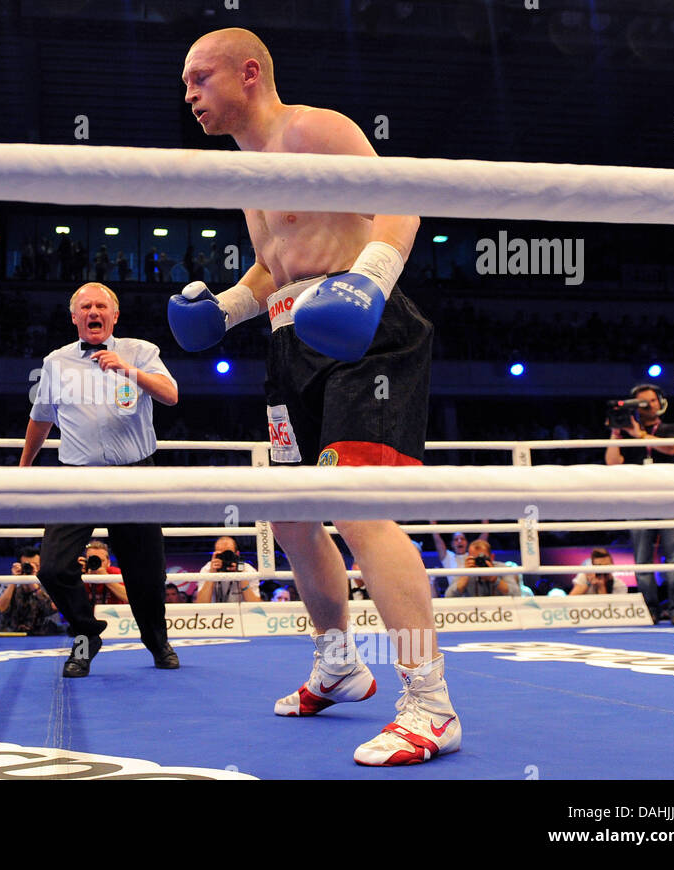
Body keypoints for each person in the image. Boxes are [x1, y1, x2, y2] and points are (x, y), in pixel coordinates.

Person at [169, 28, 456, 766]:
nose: (190, 96)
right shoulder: (247, 173)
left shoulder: (314, 129)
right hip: (289, 344)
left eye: (201, 79)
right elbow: (272, 265)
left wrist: (369, 278)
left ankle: (430, 701)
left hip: (366, 331)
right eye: (186, 85)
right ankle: (339, 664)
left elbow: (402, 202)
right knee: (292, 515)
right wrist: (226, 309)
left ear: (249, 72)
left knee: (360, 510)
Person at [20, 282, 180, 677]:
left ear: (114, 315)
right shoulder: (56, 363)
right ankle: (86, 633)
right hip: (77, 477)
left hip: (135, 474)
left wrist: (129, 370)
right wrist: (23, 470)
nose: (94, 311)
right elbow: (41, 417)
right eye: (86, 306)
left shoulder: (142, 351)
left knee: (145, 572)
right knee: (53, 567)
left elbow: (171, 394)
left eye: (101, 306)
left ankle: (156, 640)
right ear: (75, 317)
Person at [605, 383, 674, 624]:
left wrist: (638, 435)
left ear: (660, 403)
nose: (648, 406)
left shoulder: (670, 428)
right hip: (638, 501)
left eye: (651, 401)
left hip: (670, 499)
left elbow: (672, 448)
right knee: (642, 558)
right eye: (642, 402)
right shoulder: (626, 433)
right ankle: (649, 609)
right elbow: (612, 463)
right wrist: (616, 431)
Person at [0, 548, 63, 635]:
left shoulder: (48, 583)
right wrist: (14, 580)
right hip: (11, 635)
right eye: (27, 565)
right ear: (20, 565)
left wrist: (33, 583)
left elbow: (52, 608)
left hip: (42, 636)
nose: (31, 568)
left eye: (36, 565)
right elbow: (1, 608)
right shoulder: (9, 583)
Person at [194, 535, 262, 603]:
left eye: (228, 554)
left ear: (237, 554)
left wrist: (242, 578)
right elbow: (201, 604)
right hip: (215, 612)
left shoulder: (248, 570)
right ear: (215, 555)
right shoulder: (207, 569)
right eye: (221, 555)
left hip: (240, 612)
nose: (225, 558)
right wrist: (211, 575)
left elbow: (256, 605)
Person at [430, 521, 490, 597]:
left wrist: (486, 517)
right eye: (456, 539)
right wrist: (431, 519)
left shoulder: (473, 554)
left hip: (473, 596)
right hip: (454, 595)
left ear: (467, 543)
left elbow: (483, 538)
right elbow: (437, 538)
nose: (459, 541)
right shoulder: (448, 557)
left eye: (462, 538)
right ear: (452, 544)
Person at [443, 540, 520, 597]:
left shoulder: (502, 569)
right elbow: (448, 596)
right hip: (472, 614)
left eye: (483, 558)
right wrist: (465, 576)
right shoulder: (464, 570)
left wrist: (495, 579)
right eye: (475, 559)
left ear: (492, 557)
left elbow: (517, 594)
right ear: (468, 558)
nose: (479, 562)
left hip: (502, 613)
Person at [80, 539, 129, 606]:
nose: (96, 563)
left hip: (114, 615)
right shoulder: (80, 574)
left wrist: (106, 578)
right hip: (87, 615)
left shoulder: (114, 573)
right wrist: (76, 573)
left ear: (108, 562)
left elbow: (128, 597)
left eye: (101, 560)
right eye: (92, 560)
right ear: (85, 560)